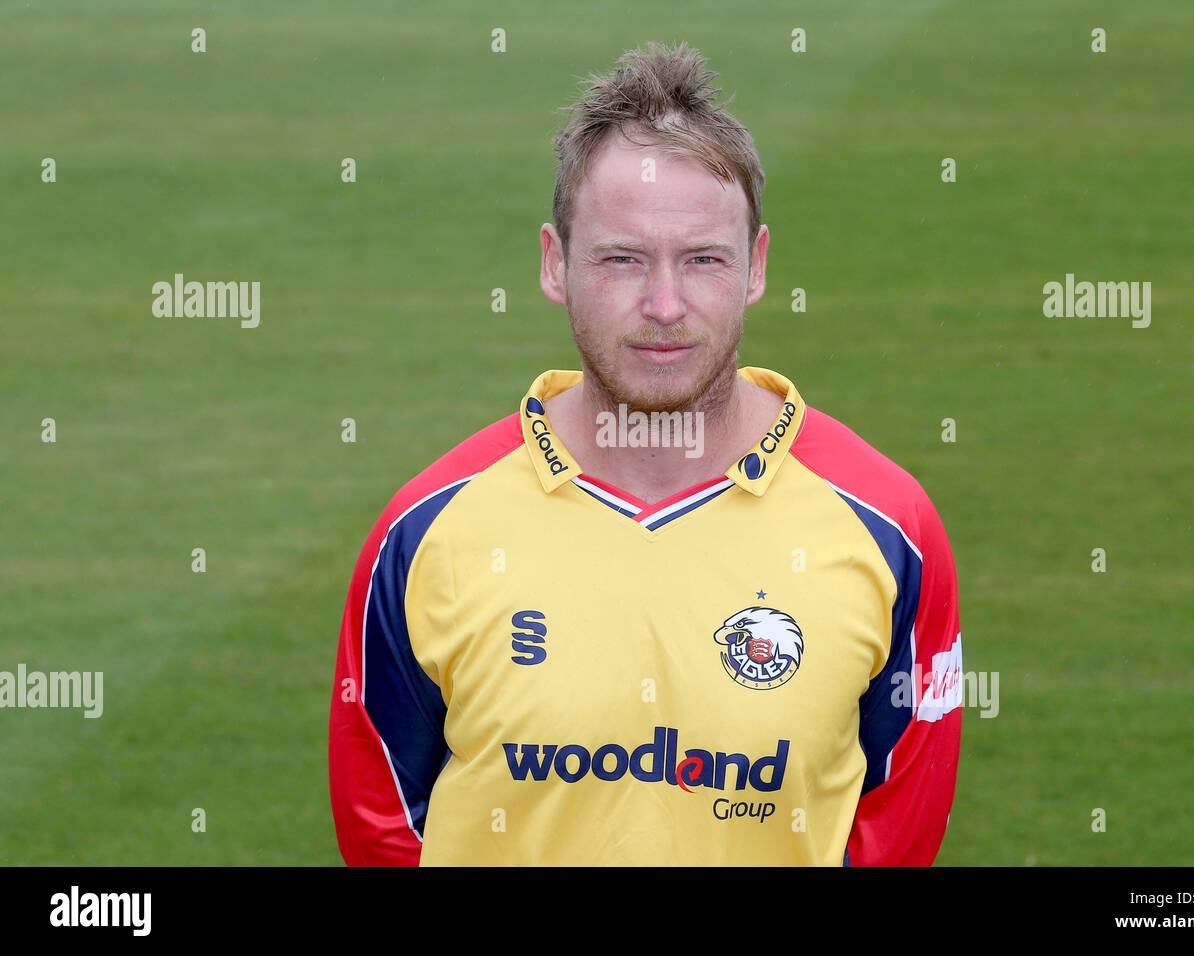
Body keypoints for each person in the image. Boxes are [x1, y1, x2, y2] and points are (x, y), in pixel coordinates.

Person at [329, 41, 963, 866]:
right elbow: (383, 824)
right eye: (622, 259)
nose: (664, 305)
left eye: (702, 260)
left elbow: (896, 832)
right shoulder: (426, 532)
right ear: (555, 265)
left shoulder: (889, 528)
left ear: (756, 268)